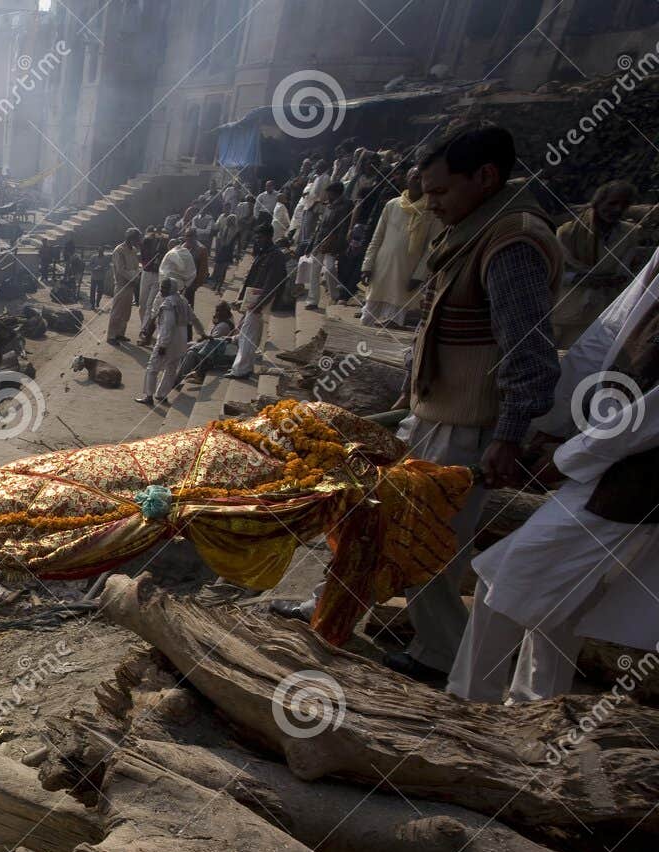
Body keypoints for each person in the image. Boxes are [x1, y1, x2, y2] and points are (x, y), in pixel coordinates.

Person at [273, 125, 563, 684]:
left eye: (439, 191)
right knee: (369, 515)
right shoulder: (472, 231)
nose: (429, 203)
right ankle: (329, 608)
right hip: (433, 416)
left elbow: (530, 351)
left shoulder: (513, 244)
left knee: (429, 551)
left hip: (466, 428)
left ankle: (453, 665)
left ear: (485, 177)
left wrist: (508, 435)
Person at [449, 249, 659, 703]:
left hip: (631, 486)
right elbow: (599, 345)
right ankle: (538, 711)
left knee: (503, 578)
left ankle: (469, 702)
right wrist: (545, 427)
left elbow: (645, 417)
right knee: (563, 604)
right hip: (608, 468)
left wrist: (562, 457)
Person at [553, 179, 642, 348]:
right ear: (598, 202)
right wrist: (583, 278)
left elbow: (629, 270)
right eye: (612, 203)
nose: (616, 209)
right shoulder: (568, 232)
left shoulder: (629, 233)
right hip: (570, 311)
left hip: (607, 311)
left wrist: (618, 280)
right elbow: (556, 271)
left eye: (623, 205)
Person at [360, 166, 434, 326]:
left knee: (393, 321)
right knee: (368, 318)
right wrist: (367, 265)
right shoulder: (392, 205)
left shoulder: (432, 210)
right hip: (382, 268)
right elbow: (377, 238)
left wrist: (419, 276)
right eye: (415, 177)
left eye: (422, 178)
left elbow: (431, 248)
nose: (418, 181)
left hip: (407, 272)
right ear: (407, 179)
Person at [228, 223, 289, 381]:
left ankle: (240, 370)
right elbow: (252, 278)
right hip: (253, 298)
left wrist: (259, 304)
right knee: (250, 333)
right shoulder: (264, 253)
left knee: (247, 335)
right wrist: (242, 299)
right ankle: (244, 367)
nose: (257, 240)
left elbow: (272, 283)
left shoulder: (275, 256)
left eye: (259, 237)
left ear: (268, 237)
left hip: (260, 300)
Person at [137, 278, 193, 406]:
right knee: (171, 369)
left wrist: (162, 345)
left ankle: (149, 396)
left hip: (167, 342)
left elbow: (168, 326)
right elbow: (192, 318)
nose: (161, 290)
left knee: (152, 368)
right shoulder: (183, 300)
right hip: (180, 342)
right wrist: (202, 333)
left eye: (164, 288)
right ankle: (162, 395)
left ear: (171, 289)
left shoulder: (168, 304)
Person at [305, 182, 350, 309]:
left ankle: (335, 296)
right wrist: (311, 244)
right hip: (320, 241)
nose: (327, 195)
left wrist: (338, 246)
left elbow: (343, 228)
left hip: (333, 243)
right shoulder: (328, 206)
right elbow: (320, 227)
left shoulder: (346, 206)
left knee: (330, 269)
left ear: (336, 193)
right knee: (314, 271)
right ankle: (312, 301)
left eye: (329, 193)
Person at [106, 230, 141, 343]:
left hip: (131, 285)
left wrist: (136, 276)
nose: (138, 241)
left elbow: (136, 266)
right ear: (131, 238)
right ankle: (111, 336)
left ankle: (120, 334)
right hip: (121, 284)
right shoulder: (119, 250)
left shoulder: (134, 250)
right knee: (117, 311)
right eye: (136, 239)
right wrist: (133, 277)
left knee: (126, 312)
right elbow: (120, 269)